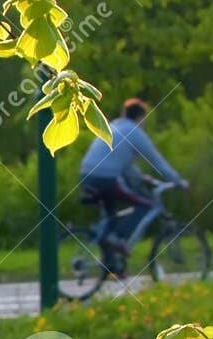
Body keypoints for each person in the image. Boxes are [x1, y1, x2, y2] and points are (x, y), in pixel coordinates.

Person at [77, 98, 187, 255]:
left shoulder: (114, 126)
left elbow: (123, 164)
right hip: (106, 179)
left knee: (110, 220)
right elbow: (158, 162)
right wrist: (178, 182)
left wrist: (141, 178)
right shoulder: (135, 133)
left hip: (87, 175)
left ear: (124, 113)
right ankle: (118, 237)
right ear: (141, 117)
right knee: (147, 205)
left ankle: (112, 266)